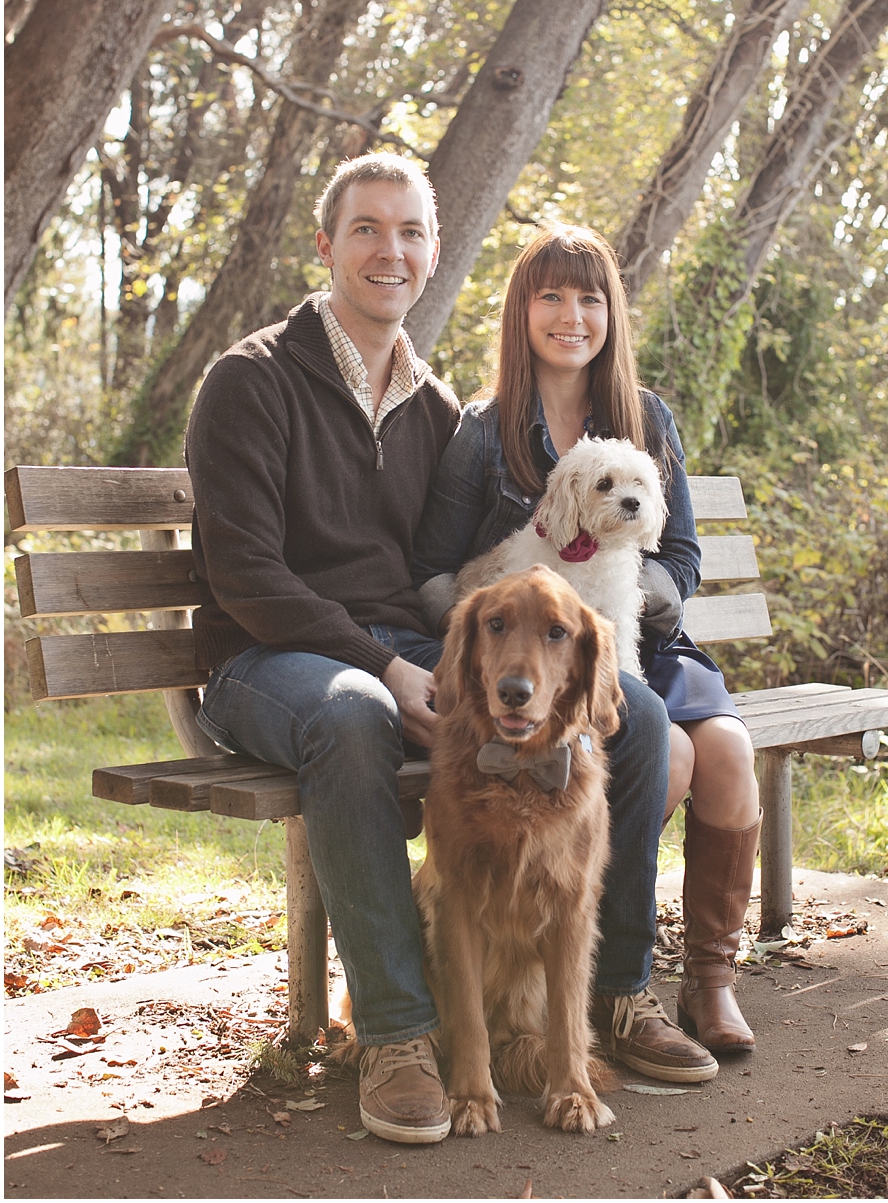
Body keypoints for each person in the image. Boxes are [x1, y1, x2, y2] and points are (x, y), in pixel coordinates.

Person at [185, 155, 691, 1147]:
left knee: (629, 714)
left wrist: (511, 655)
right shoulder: (251, 379)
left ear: (433, 251)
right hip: (265, 659)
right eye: (367, 229)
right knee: (354, 716)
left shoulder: (432, 408)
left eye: (411, 231)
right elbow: (244, 574)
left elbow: (462, 568)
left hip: (404, 647)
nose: (392, 250)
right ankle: (397, 1034)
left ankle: (618, 993)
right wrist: (386, 666)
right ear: (326, 245)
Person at [412, 224, 764, 1056]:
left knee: (729, 751)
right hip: (541, 662)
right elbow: (431, 572)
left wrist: (620, 592)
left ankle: (710, 976)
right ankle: (622, 989)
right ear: (522, 312)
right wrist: (514, 617)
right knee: (659, 745)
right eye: (552, 297)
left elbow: (681, 555)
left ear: (612, 313)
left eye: (589, 297)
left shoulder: (647, 417)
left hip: (642, 640)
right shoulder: (484, 429)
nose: (572, 315)